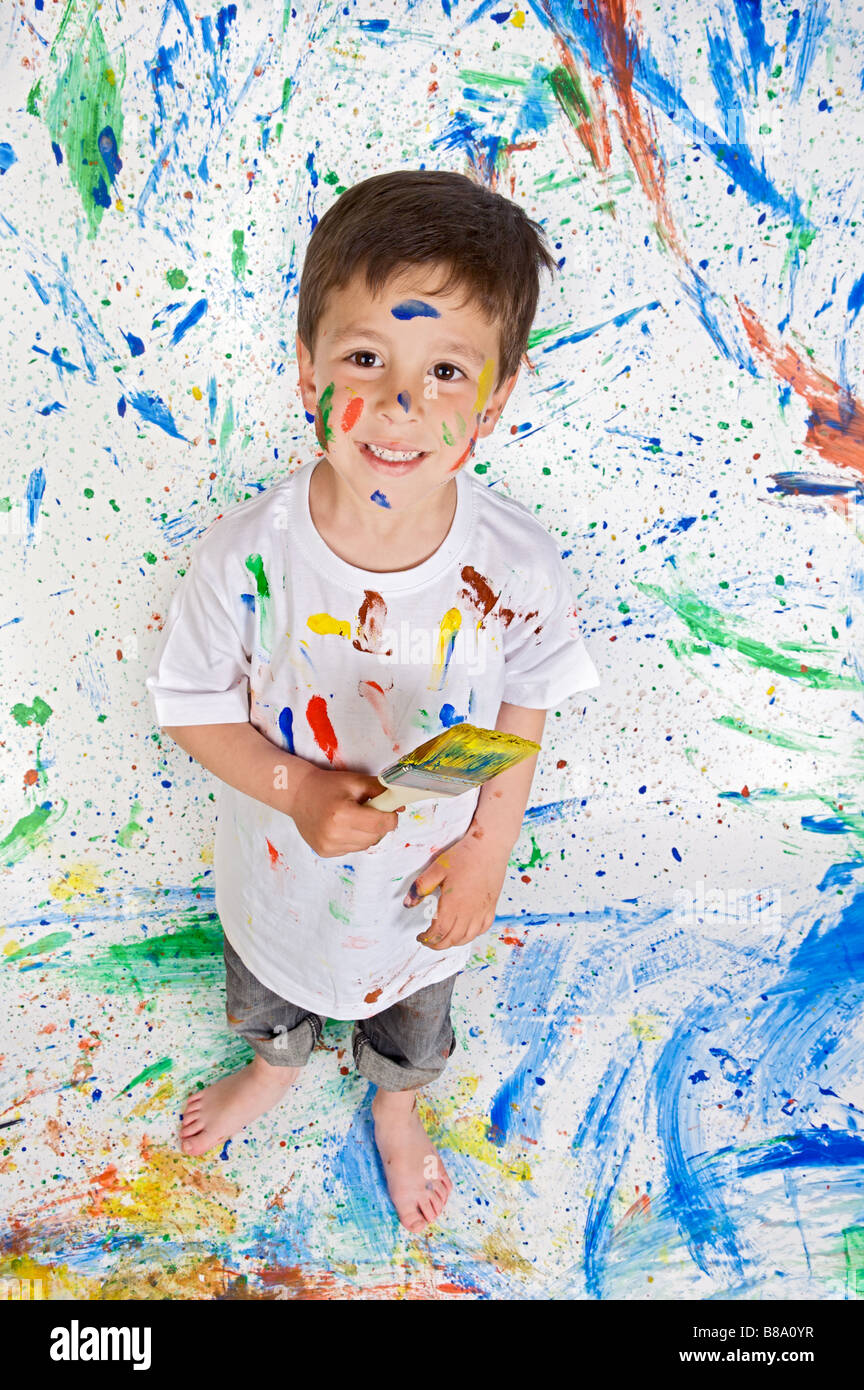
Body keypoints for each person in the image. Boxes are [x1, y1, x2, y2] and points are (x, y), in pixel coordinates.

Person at [145, 168, 600, 1234]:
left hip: (423, 892)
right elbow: (191, 704)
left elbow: (528, 700)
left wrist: (490, 846)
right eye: (366, 359)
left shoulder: (516, 565)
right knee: (268, 998)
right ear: (307, 369)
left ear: (497, 396)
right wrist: (294, 788)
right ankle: (276, 1071)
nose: (402, 405)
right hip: (283, 873)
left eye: (445, 370)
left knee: (414, 1025)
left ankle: (396, 1111)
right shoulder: (247, 559)